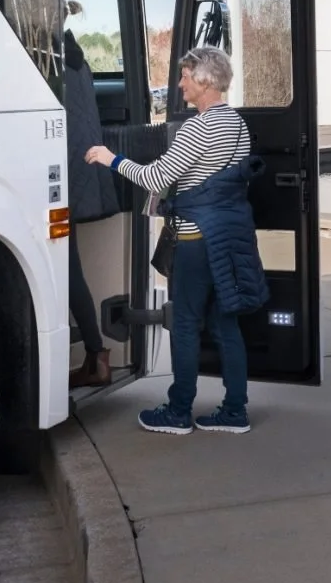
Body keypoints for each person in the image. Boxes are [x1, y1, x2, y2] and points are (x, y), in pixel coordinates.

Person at [86, 46, 267, 435]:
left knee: (185, 324)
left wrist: (110, 158)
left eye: (185, 76)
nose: (180, 83)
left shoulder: (198, 128)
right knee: (226, 326)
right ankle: (235, 411)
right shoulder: (237, 124)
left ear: (204, 80)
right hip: (229, 238)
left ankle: (178, 410)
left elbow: (156, 178)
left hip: (196, 240)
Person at [62, 29, 119, 389]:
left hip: (57, 177)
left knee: (67, 270)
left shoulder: (44, 59)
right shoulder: (74, 57)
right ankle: (95, 355)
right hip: (76, 176)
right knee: (69, 270)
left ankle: (96, 355)